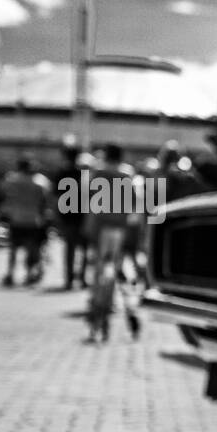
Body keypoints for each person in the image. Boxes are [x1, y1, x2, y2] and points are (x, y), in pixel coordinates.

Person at [84, 144, 142, 341]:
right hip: (119, 228)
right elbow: (134, 206)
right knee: (113, 268)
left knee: (100, 269)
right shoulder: (127, 175)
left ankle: (97, 305)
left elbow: (89, 203)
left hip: (101, 228)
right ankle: (106, 304)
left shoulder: (98, 173)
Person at [0, 157, 50, 287]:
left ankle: (10, 273)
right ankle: (28, 274)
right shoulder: (40, 181)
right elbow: (45, 200)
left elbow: (3, 192)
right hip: (33, 219)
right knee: (31, 248)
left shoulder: (12, 179)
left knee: (13, 248)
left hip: (16, 217)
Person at [53, 143, 89, 289]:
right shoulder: (84, 172)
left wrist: (57, 216)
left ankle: (69, 279)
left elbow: (57, 196)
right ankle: (83, 277)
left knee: (70, 248)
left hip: (68, 215)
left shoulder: (62, 172)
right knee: (85, 248)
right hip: (83, 214)